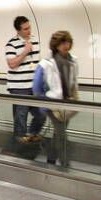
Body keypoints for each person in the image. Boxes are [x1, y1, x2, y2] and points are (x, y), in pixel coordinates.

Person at [38, 30, 79, 168]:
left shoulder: (72, 60)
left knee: (58, 134)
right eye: (62, 43)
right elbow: (36, 85)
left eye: (68, 42)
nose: (66, 45)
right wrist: (43, 102)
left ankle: (51, 160)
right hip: (52, 103)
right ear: (56, 44)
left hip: (66, 103)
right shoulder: (46, 63)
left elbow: (73, 81)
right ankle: (65, 165)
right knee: (61, 135)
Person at [6, 16, 45, 145]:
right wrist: (25, 52)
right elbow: (12, 64)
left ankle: (33, 133)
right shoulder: (11, 44)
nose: (28, 31)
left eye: (29, 28)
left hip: (33, 85)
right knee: (21, 114)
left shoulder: (35, 41)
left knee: (41, 113)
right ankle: (20, 139)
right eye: (25, 29)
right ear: (18, 30)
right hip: (19, 86)